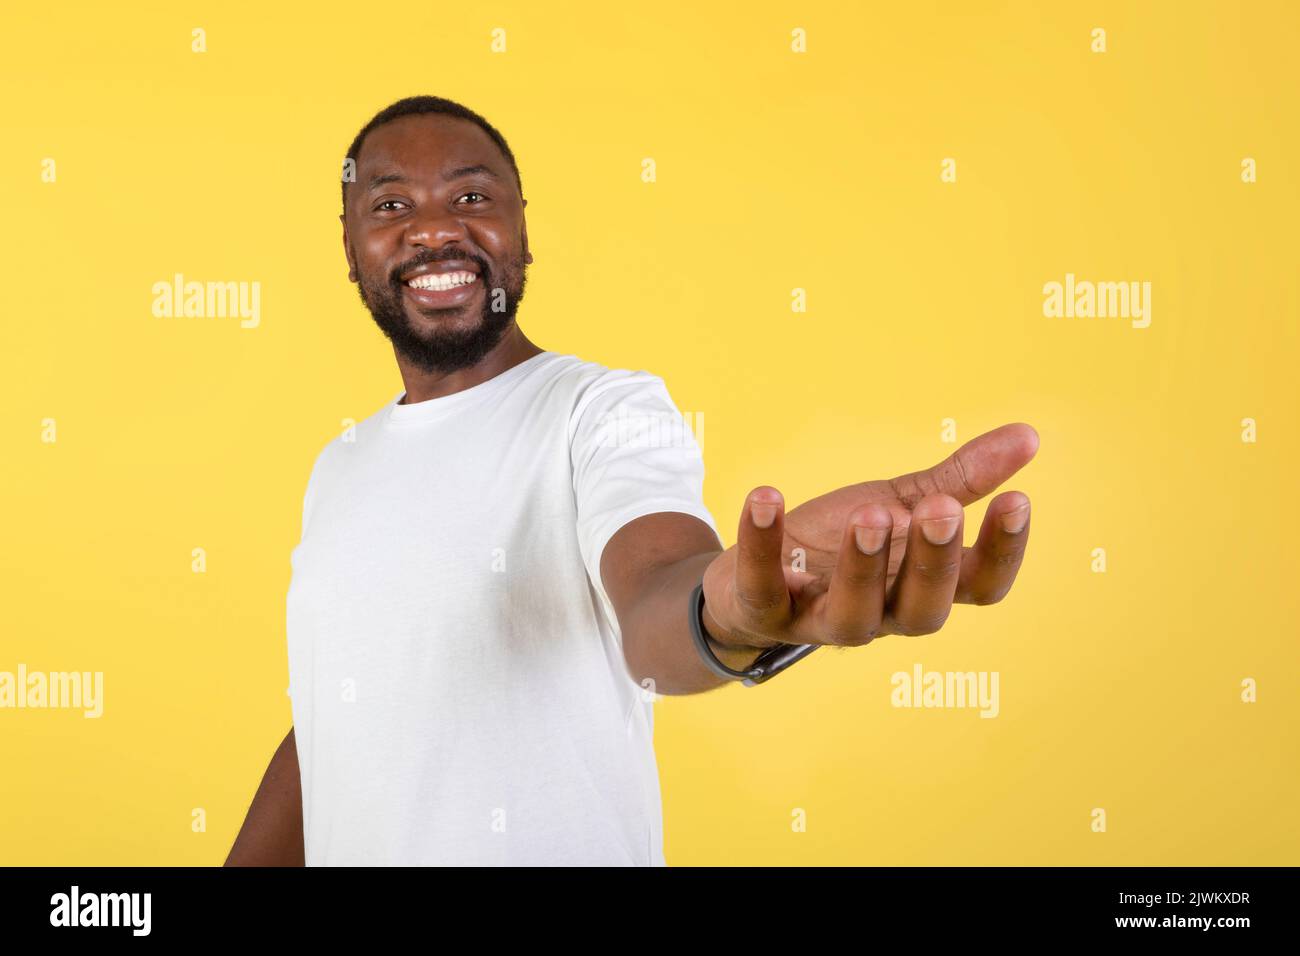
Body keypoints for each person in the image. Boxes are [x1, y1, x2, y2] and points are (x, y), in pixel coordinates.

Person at [225, 95, 1039, 866]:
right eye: (392, 206)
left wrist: (730, 612)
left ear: (520, 231)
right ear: (349, 246)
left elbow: (655, 605)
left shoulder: (603, 410)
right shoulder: (341, 465)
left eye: (472, 196)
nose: (435, 230)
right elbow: (336, 720)